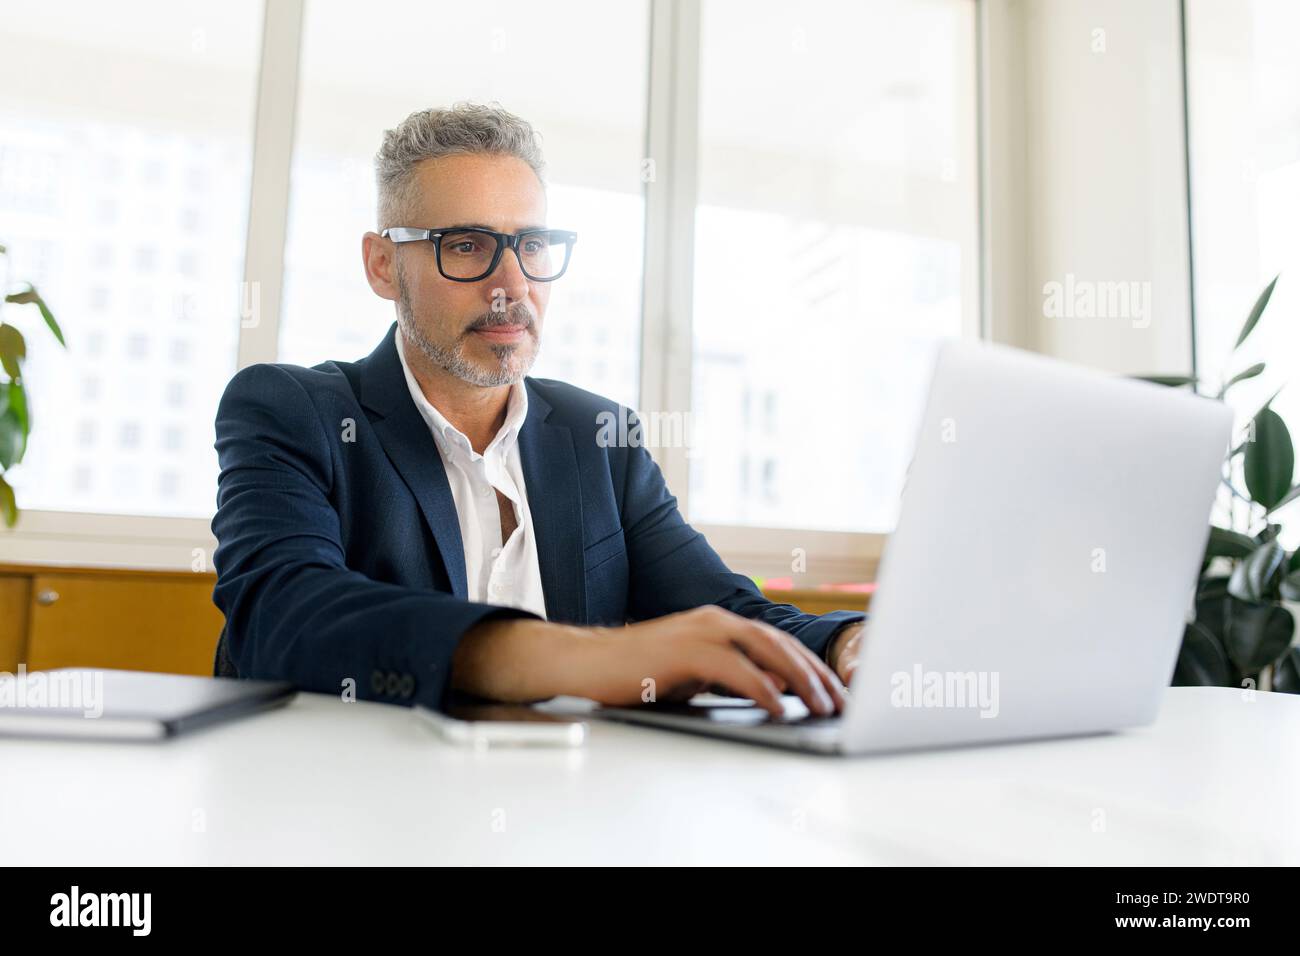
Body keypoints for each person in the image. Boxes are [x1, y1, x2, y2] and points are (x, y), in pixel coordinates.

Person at [212, 102, 866, 718]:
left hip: (561, 812)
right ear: (383, 266)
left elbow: (720, 608)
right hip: (349, 812)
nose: (512, 286)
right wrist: (577, 659)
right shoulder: (292, 410)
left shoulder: (600, 437)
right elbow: (282, 613)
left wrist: (845, 645)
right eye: (466, 245)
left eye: (531, 246)